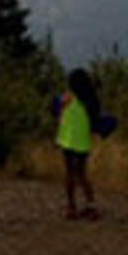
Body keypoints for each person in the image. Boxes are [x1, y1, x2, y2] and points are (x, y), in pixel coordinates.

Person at [54, 68, 103, 220]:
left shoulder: (67, 98)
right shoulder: (91, 100)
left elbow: (58, 114)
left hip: (67, 139)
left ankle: (71, 207)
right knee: (82, 174)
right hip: (83, 141)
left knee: (69, 173)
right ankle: (91, 205)